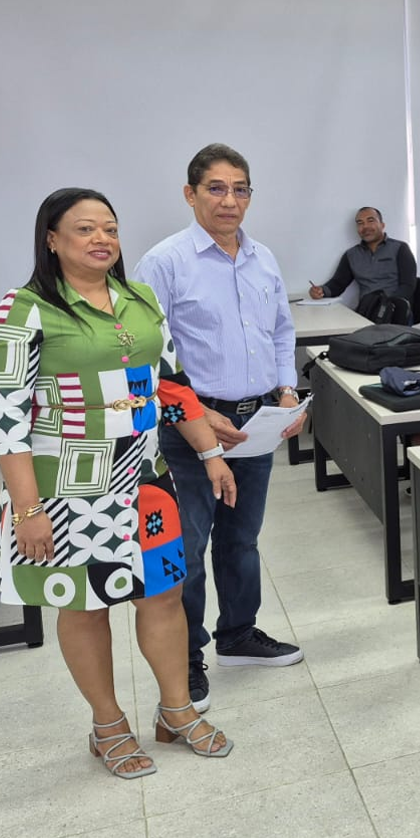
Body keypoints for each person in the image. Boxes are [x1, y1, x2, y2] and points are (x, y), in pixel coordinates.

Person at [0, 188, 234, 776]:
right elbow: (5, 418)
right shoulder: (22, 310)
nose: (101, 240)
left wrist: (211, 453)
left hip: (148, 481)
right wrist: (27, 511)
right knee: (86, 606)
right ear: (52, 239)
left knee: (165, 596)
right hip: (67, 489)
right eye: (84, 229)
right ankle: (107, 725)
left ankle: (176, 712)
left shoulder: (139, 298)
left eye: (110, 229)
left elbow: (169, 385)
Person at [135, 144, 307, 712]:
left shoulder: (263, 259)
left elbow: (282, 331)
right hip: (189, 424)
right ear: (190, 194)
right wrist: (196, 414)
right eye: (216, 188)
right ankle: (185, 659)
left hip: (255, 419)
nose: (229, 200)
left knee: (242, 537)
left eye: (240, 189)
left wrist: (285, 389)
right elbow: (145, 355)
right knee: (187, 546)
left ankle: (239, 634)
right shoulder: (165, 262)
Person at [308, 206, 417, 315]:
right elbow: (338, 284)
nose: (365, 227)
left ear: (382, 225)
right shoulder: (351, 255)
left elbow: (407, 286)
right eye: (360, 223)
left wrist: (387, 306)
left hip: (395, 313)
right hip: (366, 312)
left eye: (370, 221)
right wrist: (321, 291)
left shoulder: (400, 248)